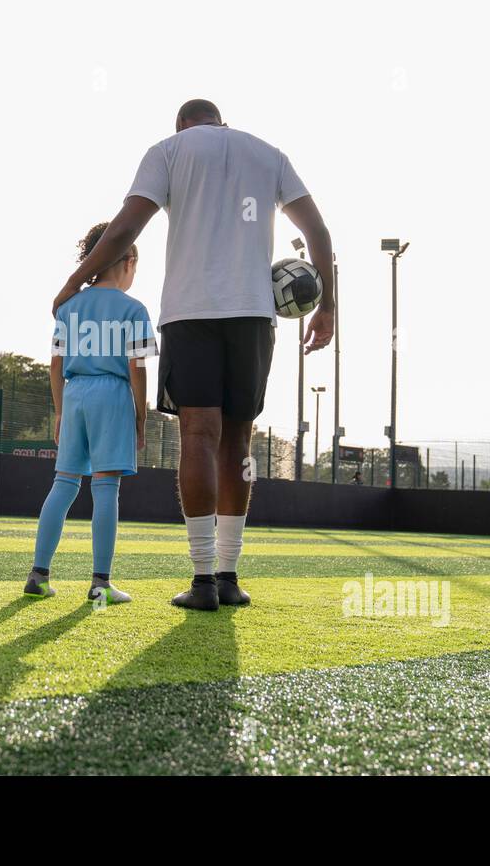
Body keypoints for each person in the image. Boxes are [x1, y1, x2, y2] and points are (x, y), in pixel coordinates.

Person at [53, 99, 334, 611]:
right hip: (252, 314)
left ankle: (202, 581)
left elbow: (124, 229)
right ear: (220, 120)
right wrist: (328, 308)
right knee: (239, 441)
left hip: (190, 312)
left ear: (181, 125)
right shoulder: (268, 153)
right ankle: (229, 576)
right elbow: (318, 232)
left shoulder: (167, 151)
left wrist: (76, 280)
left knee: (199, 436)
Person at [25, 222, 157, 604]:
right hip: (112, 395)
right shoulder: (134, 309)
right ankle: (100, 583)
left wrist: (60, 411)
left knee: (63, 484)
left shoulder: (70, 306)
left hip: (75, 392)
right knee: (105, 488)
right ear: (128, 260)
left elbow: (55, 365)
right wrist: (140, 418)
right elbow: (137, 368)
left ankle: (39, 574)